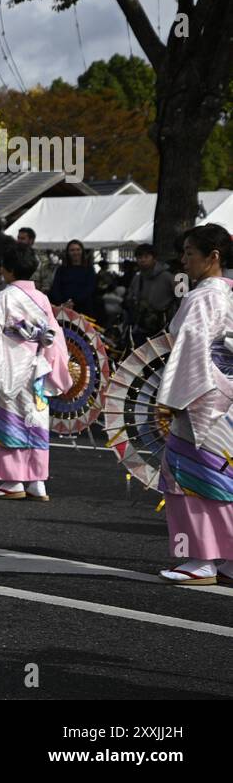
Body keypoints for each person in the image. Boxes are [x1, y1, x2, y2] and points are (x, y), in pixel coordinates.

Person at [150, 225, 233, 585]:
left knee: (186, 478)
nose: (184, 260)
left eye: (189, 253)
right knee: (223, 478)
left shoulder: (202, 297)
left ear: (213, 257)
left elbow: (190, 350)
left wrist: (171, 398)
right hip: (227, 397)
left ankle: (198, 558)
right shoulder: (230, 294)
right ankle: (227, 559)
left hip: (201, 397)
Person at [0, 242, 71, 501]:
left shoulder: (4, 296)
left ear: (7, 270)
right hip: (37, 366)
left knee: (8, 421)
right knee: (35, 420)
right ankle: (37, 481)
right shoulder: (42, 298)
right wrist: (52, 365)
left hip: (9, 366)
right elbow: (54, 335)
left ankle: (13, 480)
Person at [126, 243, 176, 343]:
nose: (143, 260)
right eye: (139, 257)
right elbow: (130, 298)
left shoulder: (169, 276)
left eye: (146, 256)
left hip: (163, 327)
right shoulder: (137, 278)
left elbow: (181, 299)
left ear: (154, 258)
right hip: (142, 326)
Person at [49, 239, 98, 317]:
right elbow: (55, 287)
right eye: (72, 250)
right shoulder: (61, 269)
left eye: (78, 250)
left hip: (84, 308)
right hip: (63, 308)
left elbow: (90, 288)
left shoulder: (89, 269)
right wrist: (63, 303)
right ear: (68, 252)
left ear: (82, 251)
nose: (75, 253)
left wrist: (73, 302)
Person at [16, 227, 55, 292]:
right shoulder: (12, 256)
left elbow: (46, 285)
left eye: (22, 239)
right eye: (18, 238)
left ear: (31, 241)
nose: (19, 241)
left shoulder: (41, 259)